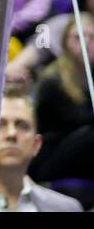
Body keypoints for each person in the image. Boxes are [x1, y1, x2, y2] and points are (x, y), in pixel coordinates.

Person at [31, 12, 94, 183]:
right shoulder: (53, 80)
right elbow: (77, 120)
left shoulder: (91, 77)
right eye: (78, 37)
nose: (86, 43)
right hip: (49, 157)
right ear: (65, 41)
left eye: (92, 38)